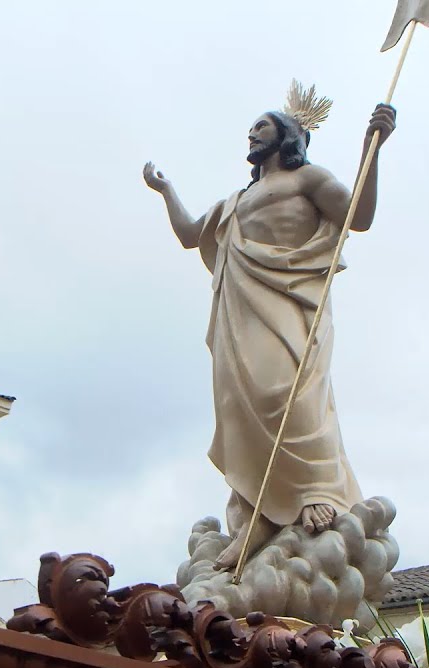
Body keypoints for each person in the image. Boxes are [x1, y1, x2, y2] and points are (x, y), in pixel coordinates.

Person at [143, 85, 396, 570]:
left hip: (288, 306)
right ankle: (257, 515)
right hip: (239, 314)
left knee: (289, 393)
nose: (252, 134)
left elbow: (358, 217)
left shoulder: (309, 179)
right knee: (240, 406)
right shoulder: (237, 199)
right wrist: (166, 189)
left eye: (261, 126)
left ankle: (315, 490)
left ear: (286, 136)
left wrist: (372, 149)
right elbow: (189, 234)